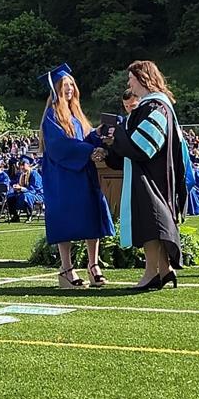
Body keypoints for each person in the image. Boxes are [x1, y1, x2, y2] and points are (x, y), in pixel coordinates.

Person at [103, 60, 189, 292]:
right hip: (152, 174)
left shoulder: (156, 106)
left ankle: (151, 273)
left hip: (151, 177)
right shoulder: (153, 105)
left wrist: (117, 134)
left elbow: (143, 147)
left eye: (131, 78)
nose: (129, 83)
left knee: (151, 222)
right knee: (154, 222)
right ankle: (163, 270)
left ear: (143, 78)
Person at [37, 63, 115, 289]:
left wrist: (99, 137)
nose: (69, 88)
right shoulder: (52, 116)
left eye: (72, 84)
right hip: (63, 176)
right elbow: (60, 146)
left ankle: (93, 265)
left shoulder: (76, 114)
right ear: (56, 89)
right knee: (66, 219)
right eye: (64, 85)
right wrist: (90, 151)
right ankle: (66, 269)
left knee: (92, 214)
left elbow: (85, 140)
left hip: (83, 173)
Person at [7, 155, 43, 223]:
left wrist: (21, 188)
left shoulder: (34, 174)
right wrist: (16, 187)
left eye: (23, 164)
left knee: (26, 196)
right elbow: (17, 184)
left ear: (28, 164)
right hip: (24, 193)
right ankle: (15, 216)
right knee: (10, 196)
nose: (21, 166)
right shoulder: (21, 175)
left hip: (37, 194)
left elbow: (34, 189)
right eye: (20, 164)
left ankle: (29, 216)